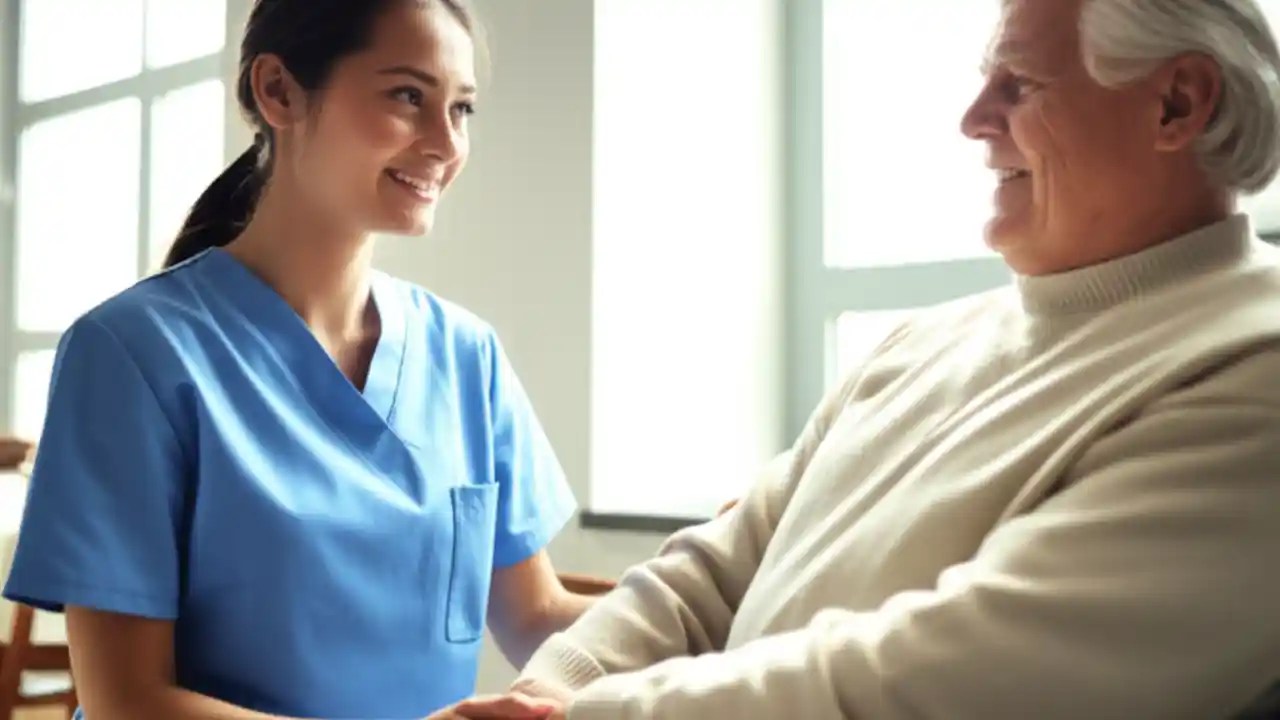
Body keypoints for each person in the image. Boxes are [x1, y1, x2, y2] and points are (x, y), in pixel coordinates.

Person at [444, 0, 1280, 718]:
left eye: (1018, 85)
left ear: (1177, 102)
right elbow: (707, 574)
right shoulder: (926, 341)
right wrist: (551, 691)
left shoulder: (1251, 363)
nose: (973, 119)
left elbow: (941, 679)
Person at [2, 1, 596, 718]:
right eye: (409, 95)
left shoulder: (468, 356)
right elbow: (127, 702)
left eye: (462, 108)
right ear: (277, 91)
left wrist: (743, 591)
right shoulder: (132, 356)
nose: (446, 142)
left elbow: (535, 615)